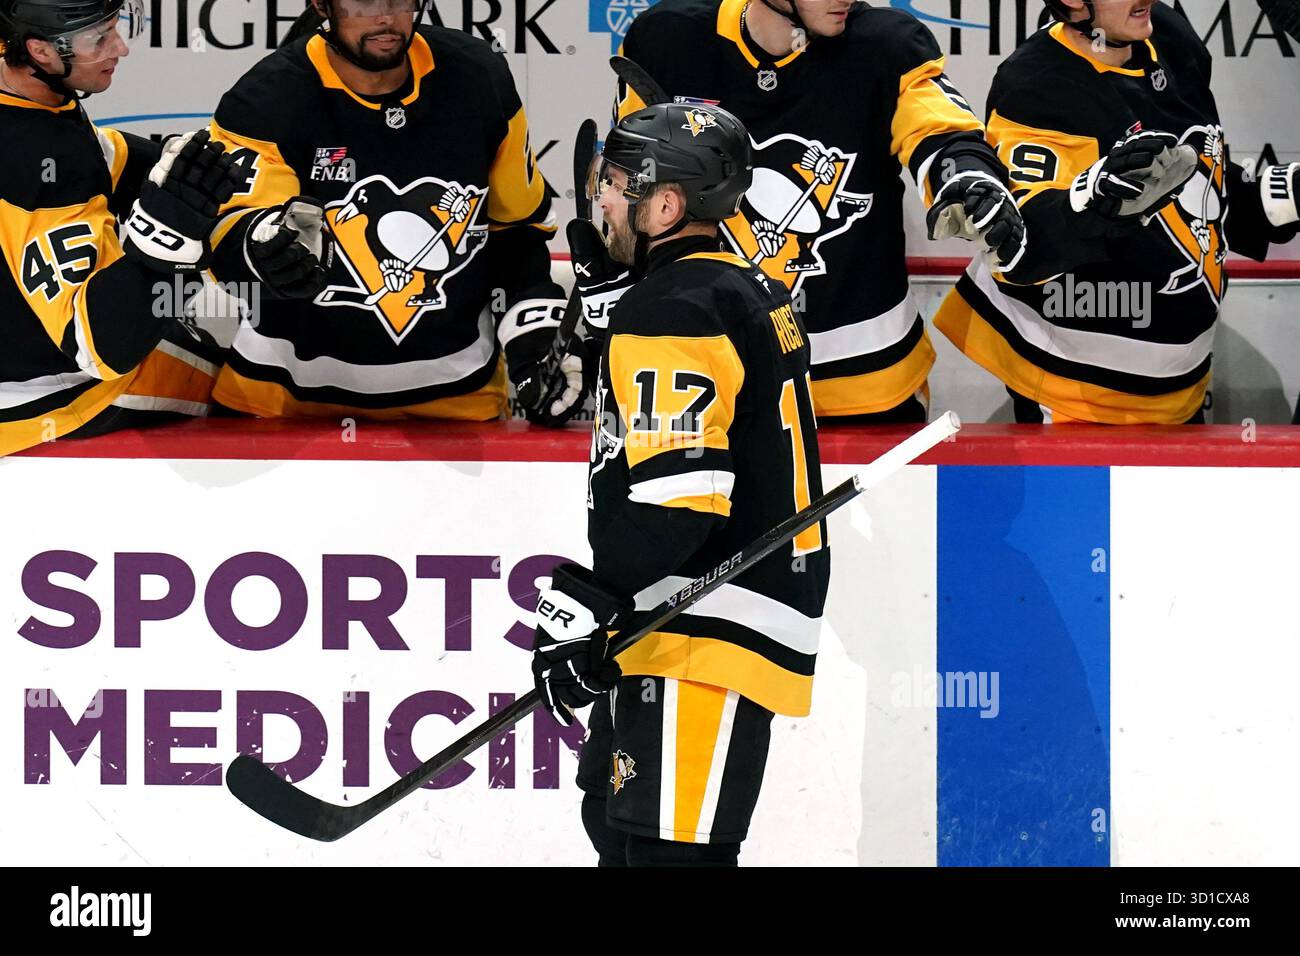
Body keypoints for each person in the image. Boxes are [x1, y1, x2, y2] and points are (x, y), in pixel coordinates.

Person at [530, 102, 831, 866]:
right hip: (678, 617)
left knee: (669, 860)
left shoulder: (673, 309)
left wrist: (587, 603)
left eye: (616, 183)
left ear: (664, 205)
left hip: (703, 627)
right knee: (614, 829)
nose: (600, 198)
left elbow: (681, 500)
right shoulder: (739, 285)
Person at [601, 0, 1026, 423]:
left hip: (864, 378)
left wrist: (968, 177)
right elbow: (628, 180)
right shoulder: (669, 41)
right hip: (710, 372)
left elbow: (943, 133)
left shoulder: (884, 45)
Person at [203, 0, 583, 425]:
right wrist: (266, 254)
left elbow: (516, 232)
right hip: (280, 401)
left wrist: (535, 343)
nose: (384, 17)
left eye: (398, 0)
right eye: (363, 2)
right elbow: (232, 243)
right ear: (321, 5)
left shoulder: (478, 78)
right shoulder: (265, 98)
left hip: (454, 402)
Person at [934, 0, 1300, 424]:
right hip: (1076, 395)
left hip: (1182, 385)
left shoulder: (1168, 34)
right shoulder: (1038, 83)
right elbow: (1020, 244)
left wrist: (1280, 196)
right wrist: (1092, 200)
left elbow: (1197, 175)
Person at [0, 0, 239, 456]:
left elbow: (87, 155)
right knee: (234, 378)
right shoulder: (39, 161)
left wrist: (162, 164)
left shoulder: (24, 89)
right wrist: (167, 239)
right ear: (41, 51)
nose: (121, 49)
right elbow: (98, 348)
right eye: (100, 39)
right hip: (34, 403)